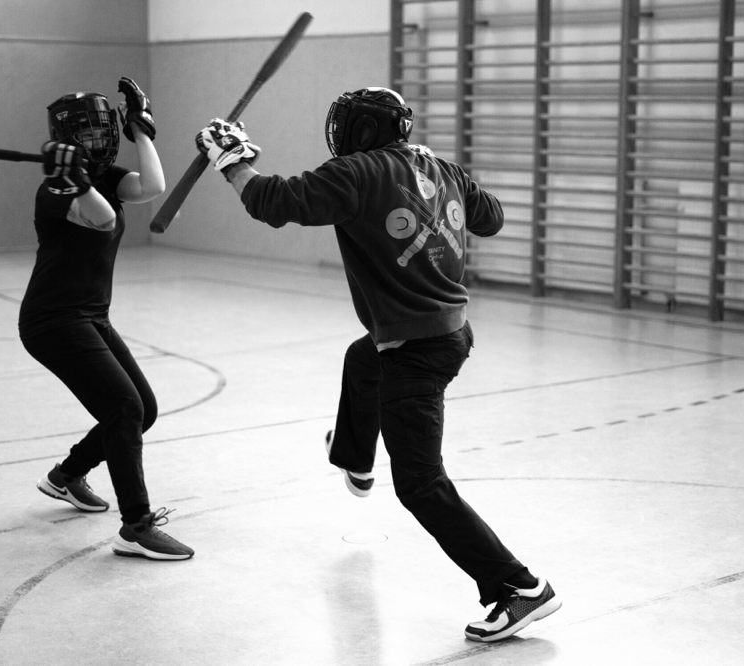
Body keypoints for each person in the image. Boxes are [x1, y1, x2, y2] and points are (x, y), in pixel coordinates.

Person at [193, 87, 560, 640]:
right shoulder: (440, 167)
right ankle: (355, 459)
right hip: (449, 333)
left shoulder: (356, 174)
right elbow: (493, 219)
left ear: (360, 130)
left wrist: (233, 160)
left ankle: (518, 588)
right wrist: (435, 180)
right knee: (361, 359)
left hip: (415, 351)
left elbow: (272, 202)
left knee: (419, 484)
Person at [19, 78, 193, 561]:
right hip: (52, 321)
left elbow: (151, 187)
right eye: (88, 134)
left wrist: (142, 132)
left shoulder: (103, 174)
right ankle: (135, 526)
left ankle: (66, 476)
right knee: (124, 409)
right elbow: (104, 221)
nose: (99, 140)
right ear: (68, 137)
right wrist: (74, 181)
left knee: (143, 410)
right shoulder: (54, 190)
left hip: (91, 316)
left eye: (105, 129)